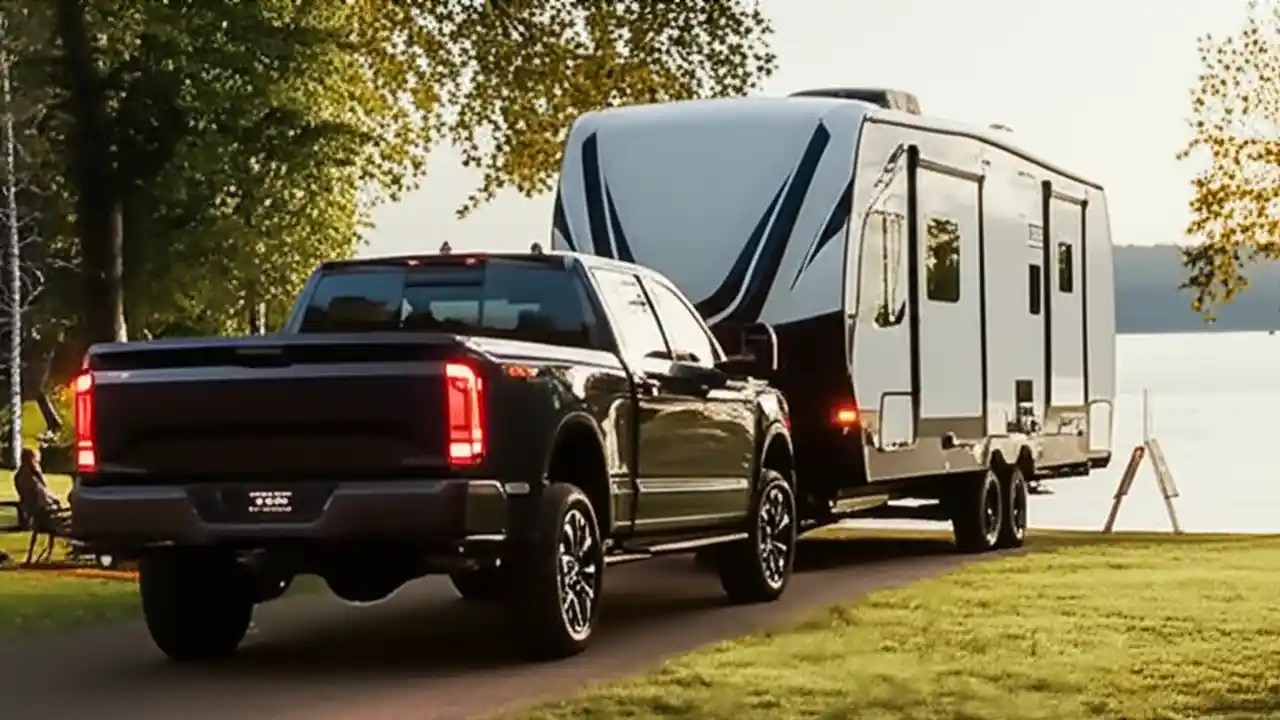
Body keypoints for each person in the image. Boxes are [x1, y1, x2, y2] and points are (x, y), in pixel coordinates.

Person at [12, 447, 63, 521]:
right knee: (56, 504)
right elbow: (43, 491)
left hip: (27, 505)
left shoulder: (18, 475)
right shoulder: (34, 477)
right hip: (40, 507)